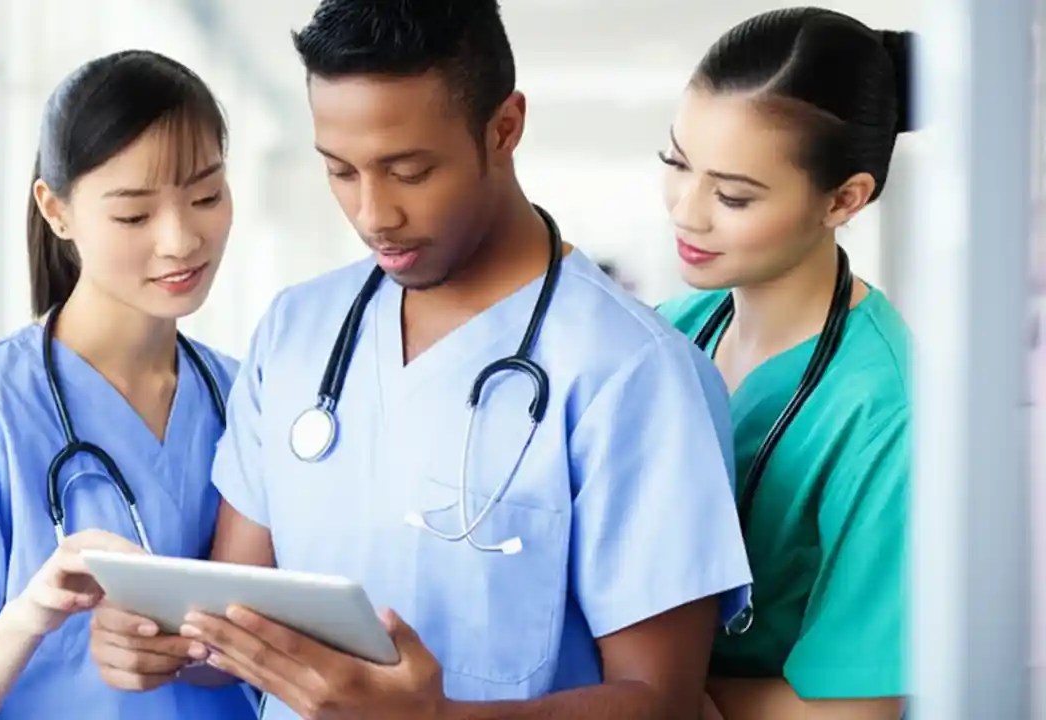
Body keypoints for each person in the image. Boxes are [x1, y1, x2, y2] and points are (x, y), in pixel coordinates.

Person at [89, 2, 752, 718]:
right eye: (341, 171)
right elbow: (236, 616)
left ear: (504, 129)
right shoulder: (297, 331)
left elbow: (662, 700)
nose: (374, 214)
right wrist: (162, 640)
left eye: (408, 171)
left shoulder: (634, 373)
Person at [0, 50, 256, 719]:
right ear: (57, 211)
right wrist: (31, 614)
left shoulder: (247, 399)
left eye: (206, 196)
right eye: (133, 215)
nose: (181, 240)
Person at [655, 8, 914, 719]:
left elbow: (857, 712)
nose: (687, 211)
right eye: (676, 163)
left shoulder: (887, 410)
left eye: (733, 195)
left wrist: (653, 699)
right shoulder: (669, 334)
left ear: (844, 198)